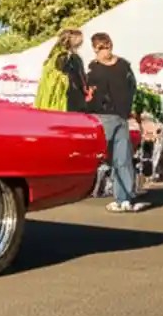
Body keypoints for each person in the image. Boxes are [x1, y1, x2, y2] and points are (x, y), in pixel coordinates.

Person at [84, 32, 148, 212]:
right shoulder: (93, 69)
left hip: (121, 116)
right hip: (101, 116)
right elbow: (88, 93)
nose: (105, 51)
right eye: (101, 48)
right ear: (95, 49)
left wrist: (134, 113)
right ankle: (105, 190)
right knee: (105, 157)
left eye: (107, 46)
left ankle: (125, 197)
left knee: (123, 158)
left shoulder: (124, 66)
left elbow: (134, 89)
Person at [33, 29, 88, 112]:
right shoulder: (64, 57)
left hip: (55, 99)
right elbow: (71, 76)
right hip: (66, 99)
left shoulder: (54, 56)